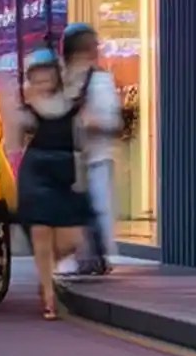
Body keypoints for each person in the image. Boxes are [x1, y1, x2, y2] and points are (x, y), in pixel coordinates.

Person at [13, 48, 92, 320]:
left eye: (47, 73)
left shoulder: (71, 104)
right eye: (37, 75)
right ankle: (49, 294)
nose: (43, 79)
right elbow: (13, 141)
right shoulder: (28, 108)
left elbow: (83, 142)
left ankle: (47, 272)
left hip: (64, 173)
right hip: (36, 172)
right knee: (41, 234)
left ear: (57, 75)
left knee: (71, 241)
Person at [62, 23, 123, 276]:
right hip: (75, 161)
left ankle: (93, 257)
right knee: (80, 210)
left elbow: (113, 123)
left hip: (95, 158)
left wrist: (88, 123)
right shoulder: (66, 80)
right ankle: (87, 257)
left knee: (95, 208)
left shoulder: (98, 81)